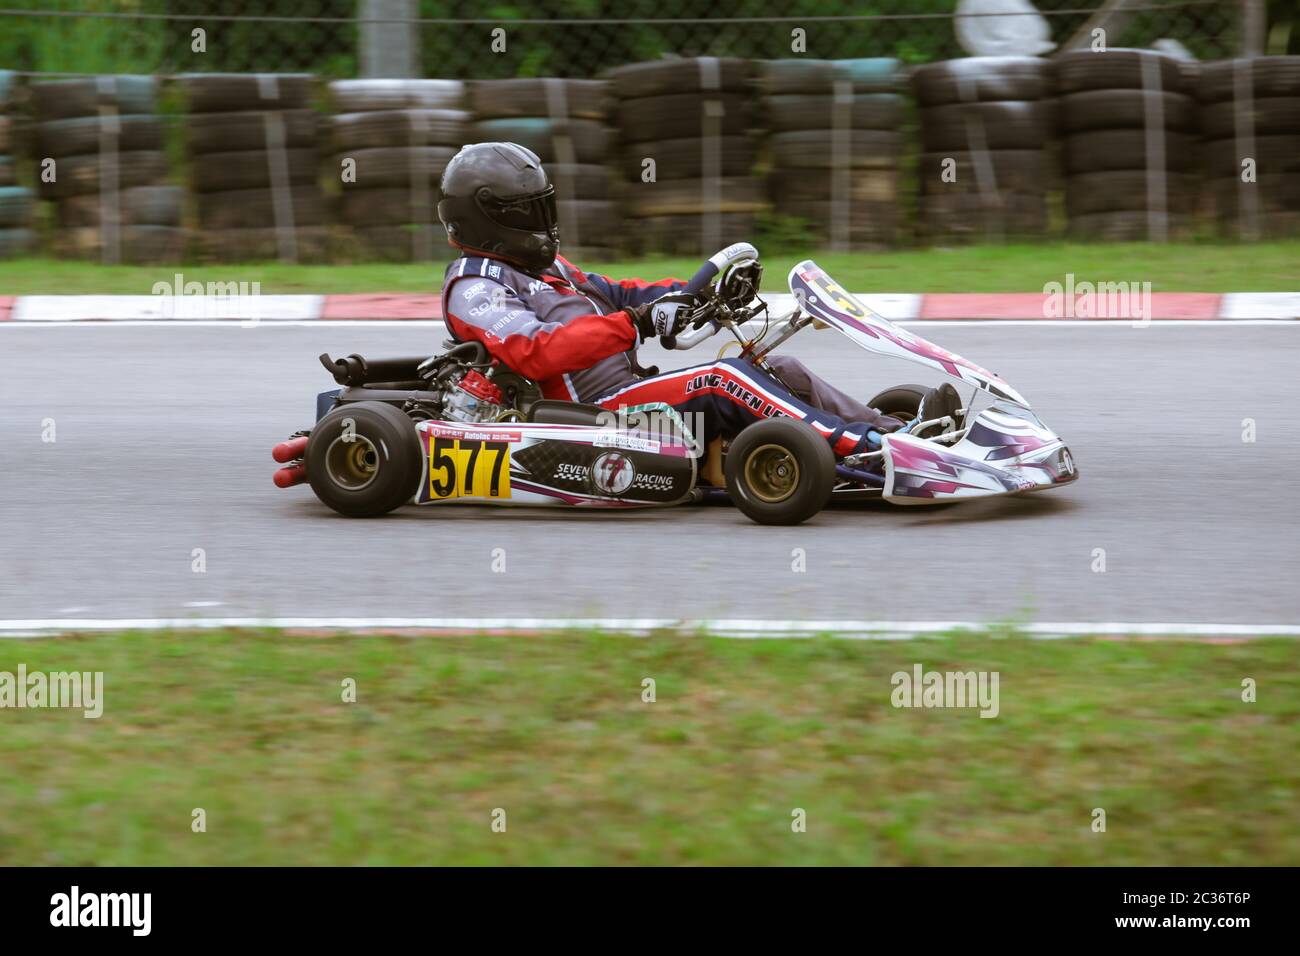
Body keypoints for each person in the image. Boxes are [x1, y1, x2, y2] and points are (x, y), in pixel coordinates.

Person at [436, 142, 955, 458]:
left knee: (782, 369)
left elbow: (616, 294)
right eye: (526, 212)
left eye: (540, 208)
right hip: (587, 420)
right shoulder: (476, 286)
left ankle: (901, 431)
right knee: (724, 380)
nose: (542, 223)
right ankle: (875, 451)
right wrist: (636, 324)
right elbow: (538, 351)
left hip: (632, 399)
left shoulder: (544, 267)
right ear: (488, 216)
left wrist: (689, 294)